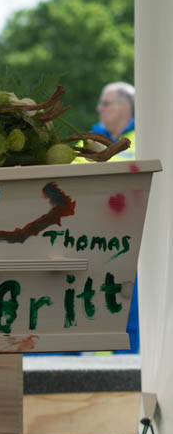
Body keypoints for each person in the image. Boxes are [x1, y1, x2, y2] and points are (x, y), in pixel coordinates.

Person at [89, 82, 139, 352]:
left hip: (138, 240)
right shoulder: (89, 142)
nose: (99, 108)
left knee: (131, 311)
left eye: (105, 103)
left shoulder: (148, 138)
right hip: (97, 240)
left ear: (124, 106)